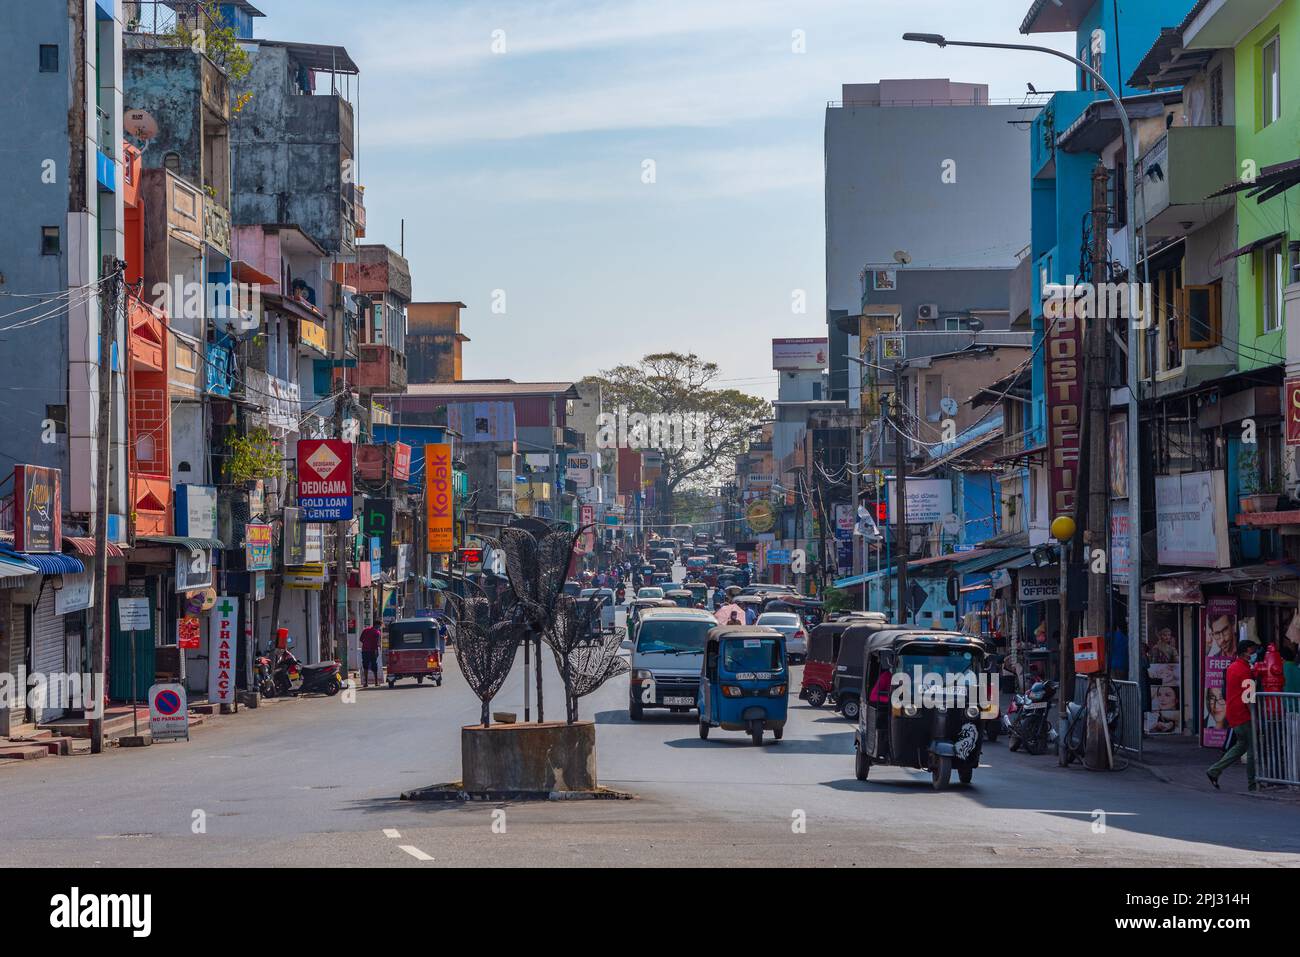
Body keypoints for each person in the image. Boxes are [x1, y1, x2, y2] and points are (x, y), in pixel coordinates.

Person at [1207, 639, 1259, 792]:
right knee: (1252, 749)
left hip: (1233, 713)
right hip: (1243, 715)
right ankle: (1253, 784)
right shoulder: (1245, 671)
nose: (1255, 654)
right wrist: (1254, 717)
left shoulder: (1232, 667)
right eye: (1252, 652)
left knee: (1241, 746)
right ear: (1245, 653)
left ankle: (1214, 770)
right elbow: (1248, 698)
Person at [360, 619, 383, 688]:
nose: (380, 627)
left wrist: (366, 643)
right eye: (380, 626)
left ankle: (366, 683)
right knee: (374, 666)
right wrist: (377, 651)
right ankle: (376, 682)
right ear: (378, 625)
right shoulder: (377, 632)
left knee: (365, 666)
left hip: (364, 650)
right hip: (373, 651)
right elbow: (377, 643)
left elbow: (361, 639)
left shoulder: (365, 630)